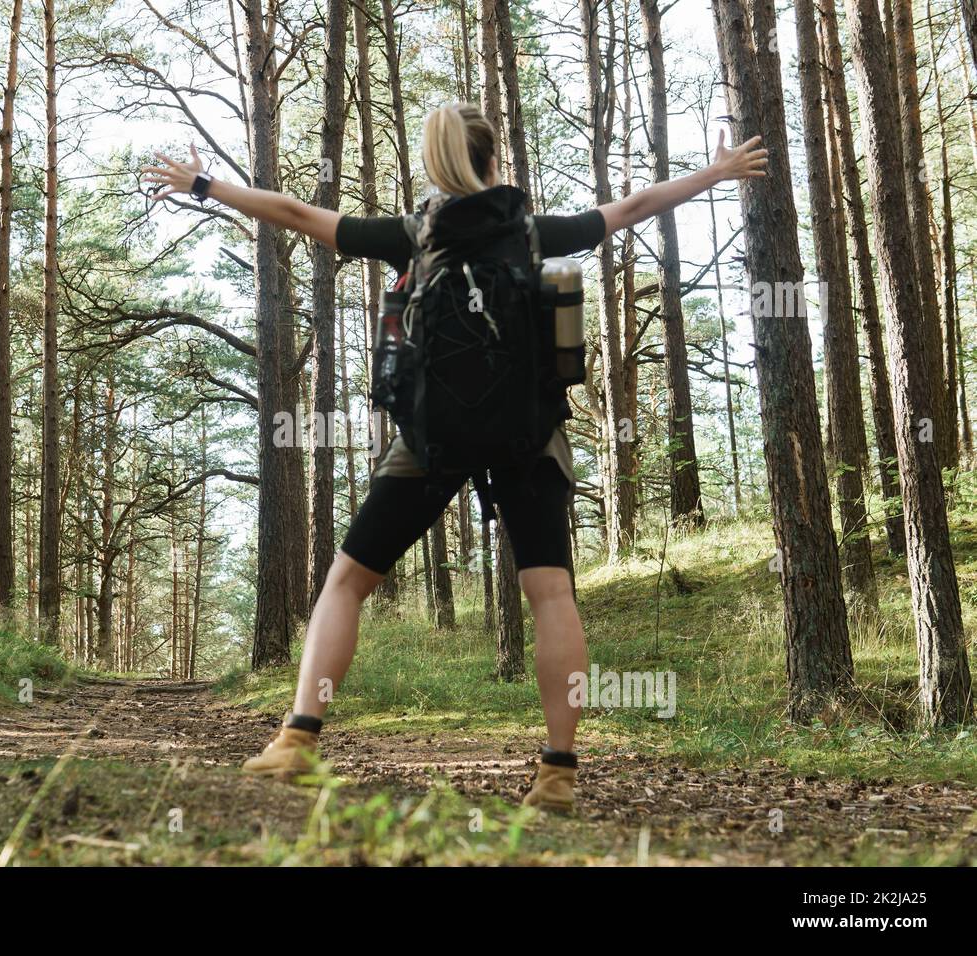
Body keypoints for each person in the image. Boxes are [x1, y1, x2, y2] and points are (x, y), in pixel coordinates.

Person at [142, 103, 767, 812]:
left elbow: (294, 212)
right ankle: (558, 773)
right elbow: (637, 206)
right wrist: (717, 172)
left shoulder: (415, 235)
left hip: (433, 439)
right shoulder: (533, 233)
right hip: (528, 436)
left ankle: (297, 740)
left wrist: (203, 185)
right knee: (552, 594)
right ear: (494, 159)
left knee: (346, 582)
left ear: (435, 162)